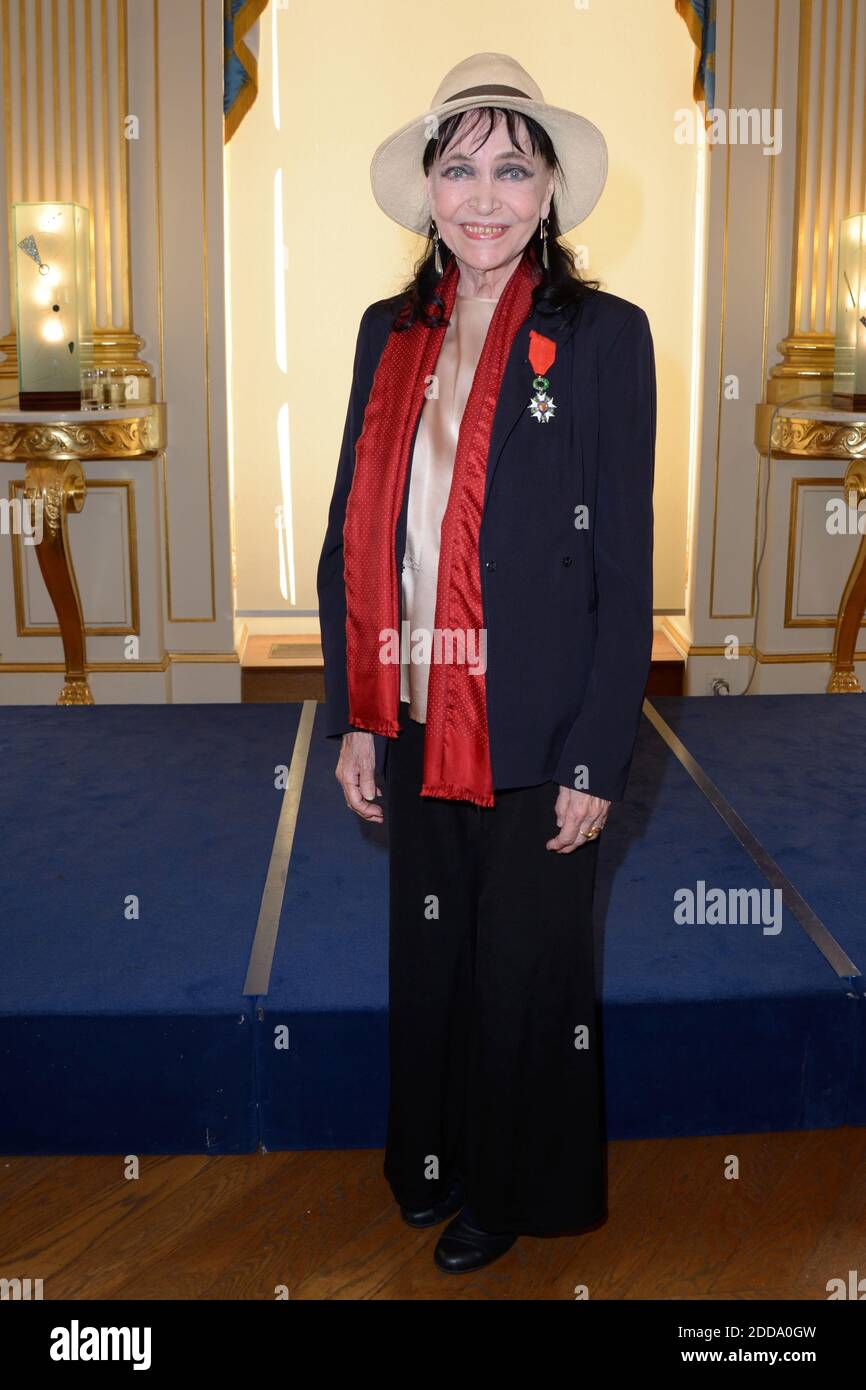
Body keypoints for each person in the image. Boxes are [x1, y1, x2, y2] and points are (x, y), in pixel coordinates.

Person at [317, 52, 656, 1274]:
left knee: (526, 972)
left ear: (552, 186)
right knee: (432, 950)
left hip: (537, 722)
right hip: (410, 710)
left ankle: (514, 1189)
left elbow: (622, 567)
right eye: (458, 167)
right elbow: (351, 533)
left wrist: (592, 755)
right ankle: (431, 1155)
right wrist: (356, 713)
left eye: (512, 168)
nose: (483, 196)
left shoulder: (604, 336)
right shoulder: (384, 333)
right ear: (426, 187)